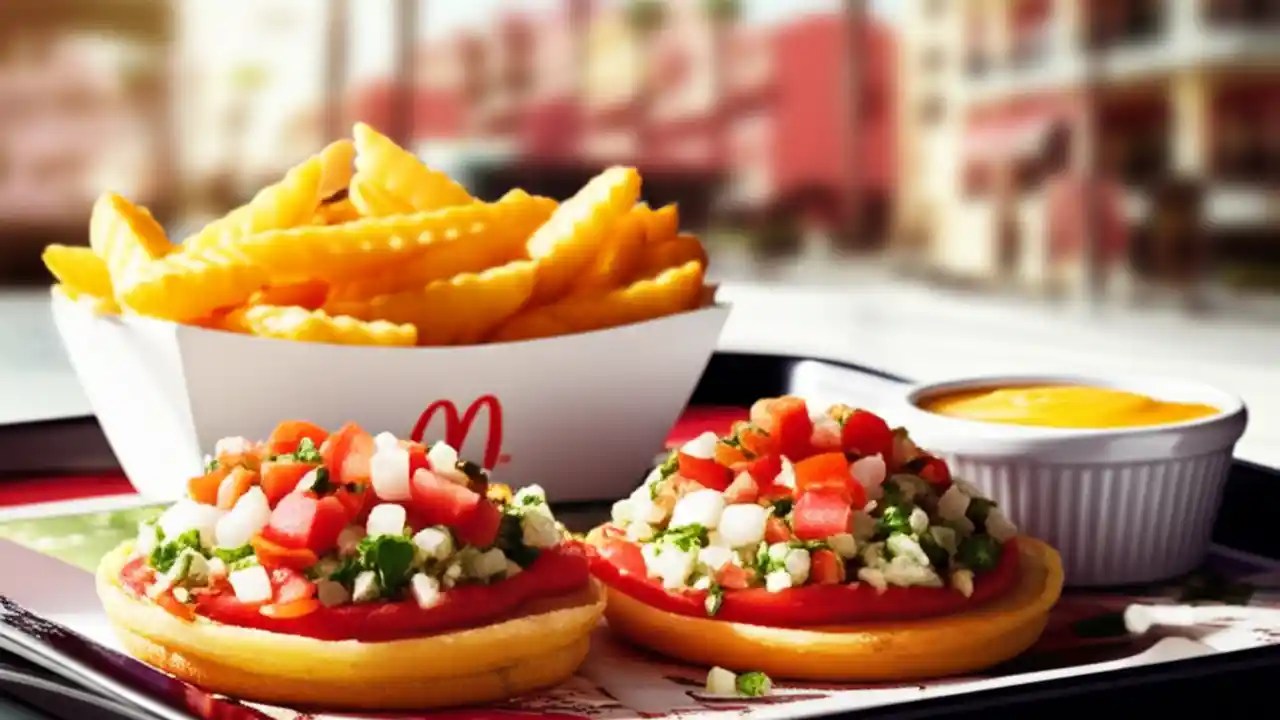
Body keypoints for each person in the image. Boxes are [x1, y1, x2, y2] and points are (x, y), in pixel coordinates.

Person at [1041, 122, 1132, 304]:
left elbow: (1114, 225)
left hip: (1087, 257)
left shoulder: (1062, 188)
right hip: (1081, 258)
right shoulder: (1064, 187)